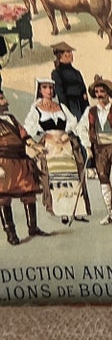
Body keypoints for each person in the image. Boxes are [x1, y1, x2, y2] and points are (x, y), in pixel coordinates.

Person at [24, 77, 87, 220]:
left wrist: (67, 133)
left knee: (71, 175)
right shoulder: (36, 108)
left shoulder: (61, 107)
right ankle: (62, 211)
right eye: (45, 87)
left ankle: (76, 210)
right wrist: (45, 135)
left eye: (51, 88)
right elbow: (28, 127)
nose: (49, 91)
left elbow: (73, 122)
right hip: (50, 146)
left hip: (65, 144)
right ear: (40, 90)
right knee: (56, 178)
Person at [76, 76, 112, 224]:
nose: (99, 95)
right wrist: (87, 146)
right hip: (99, 149)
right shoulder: (90, 111)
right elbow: (81, 128)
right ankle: (109, 212)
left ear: (108, 93)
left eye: (102, 91)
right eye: (97, 92)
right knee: (103, 178)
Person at [0, 91, 43, 246]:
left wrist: (35, 145)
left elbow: (24, 134)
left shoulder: (10, 118)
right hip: (3, 162)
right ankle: (10, 232)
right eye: (1, 98)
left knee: (29, 192)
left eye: (3, 97)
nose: (5, 101)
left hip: (20, 160)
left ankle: (33, 227)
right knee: (3, 198)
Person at [50, 43, 88, 120]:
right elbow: (60, 93)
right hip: (69, 105)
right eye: (67, 53)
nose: (71, 54)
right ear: (60, 56)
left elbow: (83, 91)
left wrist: (87, 109)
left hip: (81, 104)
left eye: (70, 52)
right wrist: (66, 111)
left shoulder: (77, 72)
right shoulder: (57, 73)